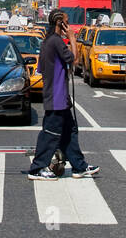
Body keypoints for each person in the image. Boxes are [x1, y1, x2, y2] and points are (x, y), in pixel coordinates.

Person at [28, 10, 100, 180]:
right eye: (67, 21)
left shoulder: (48, 41)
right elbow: (74, 59)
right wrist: (72, 38)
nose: (69, 25)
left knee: (69, 130)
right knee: (51, 133)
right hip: (56, 95)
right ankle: (37, 168)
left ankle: (79, 166)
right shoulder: (56, 41)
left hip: (60, 95)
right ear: (61, 23)